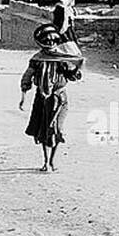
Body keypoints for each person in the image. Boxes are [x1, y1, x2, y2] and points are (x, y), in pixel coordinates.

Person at [18, 22, 84, 172]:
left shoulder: (63, 59)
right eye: (48, 42)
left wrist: (75, 68)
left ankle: (51, 161)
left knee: (55, 129)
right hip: (42, 99)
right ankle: (47, 161)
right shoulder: (37, 60)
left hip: (59, 98)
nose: (51, 45)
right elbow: (27, 78)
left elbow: (75, 76)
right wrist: (23, 95)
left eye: (53, 42)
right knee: (44, 129)